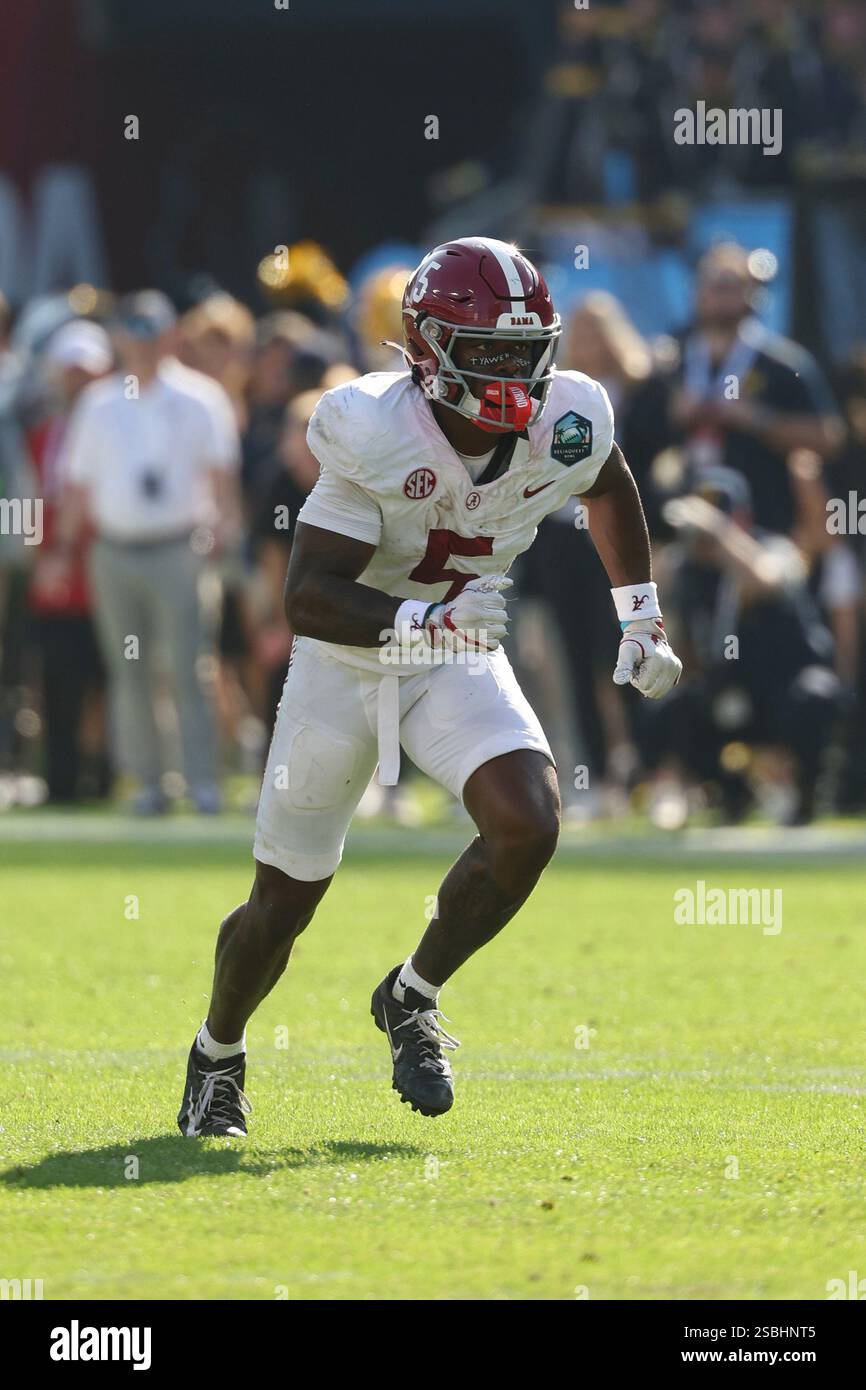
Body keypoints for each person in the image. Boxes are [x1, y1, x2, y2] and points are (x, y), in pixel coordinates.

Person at [177, 237, 683, 1138]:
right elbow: (307, 597)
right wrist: (419, 624)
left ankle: (411, 995)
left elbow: (607, 484)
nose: (510, 372)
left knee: (528, 820)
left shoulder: (569, 415)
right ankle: (217, 1054)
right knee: (284, 902)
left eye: (524, 351)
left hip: (456, 652)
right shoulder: (373, 427)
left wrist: (640, 613)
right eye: (485, 349)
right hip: (350, 660)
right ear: (425, 346)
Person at [56, 291, 240, 814]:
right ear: (120, 340)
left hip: (180, 547)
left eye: (150, 334)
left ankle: (202, 781)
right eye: (132, 335)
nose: (140, 346)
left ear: (169, 337)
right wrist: (59, 552)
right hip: (114, 550)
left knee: (188, 666)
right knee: (129, 669)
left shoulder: (202, 397)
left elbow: (222, 482)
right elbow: (77, 487)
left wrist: (225, 533)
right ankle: (150, 783)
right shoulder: (99, 403)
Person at [669, 243, 844, 536]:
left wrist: (761, 420)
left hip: (766, 526)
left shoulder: (783, 364)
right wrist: (674, 414)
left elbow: (830, 437)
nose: (720, 296)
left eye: (731, 285)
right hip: (684, 524)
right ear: (696, 292)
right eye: (712, 285)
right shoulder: (674, 360)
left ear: (752, 293)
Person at [27, 319, 114, 802]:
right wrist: (38, 556)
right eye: (71, 372)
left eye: (88, 372)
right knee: (57, 681)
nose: (79, 382)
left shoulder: (121, 429)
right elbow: (25, 503)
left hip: (107, 573)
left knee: (107, 682)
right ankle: (59, 780)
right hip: (55, 582)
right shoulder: (39, 436)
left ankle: (101, 779)